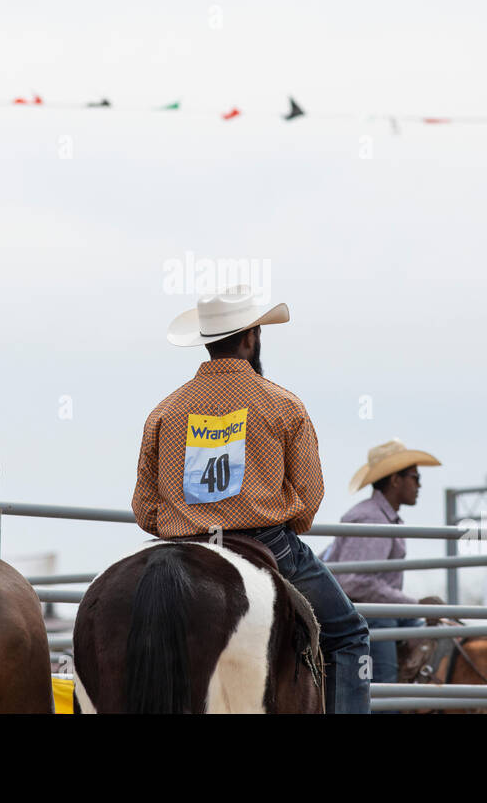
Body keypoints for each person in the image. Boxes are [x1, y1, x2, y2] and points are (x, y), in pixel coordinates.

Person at [132, 285, 371, 714]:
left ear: (206, 344)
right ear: (250, 338)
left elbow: (145, 509)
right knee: (350, 636)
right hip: (267, 546)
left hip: (186, 550)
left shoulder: (165, 412)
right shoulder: (283, 405)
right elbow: (309, 497)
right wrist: (282, 521)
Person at [323, 439, 440, 707]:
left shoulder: (377, 515)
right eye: (415, 477)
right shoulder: (371, 519)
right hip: (369, 616)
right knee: (386, 688)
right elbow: (355, 582)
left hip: (381, 613)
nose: (419, 485)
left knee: (441, 637)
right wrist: (415, 605)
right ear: (396, 480)